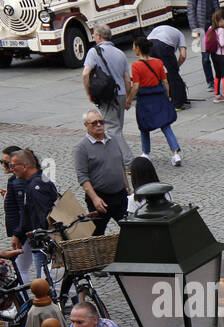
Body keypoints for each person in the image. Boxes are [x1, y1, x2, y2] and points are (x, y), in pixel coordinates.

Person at [125, 36, 183, 168]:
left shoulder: (136, 66)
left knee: (144, 126)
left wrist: (128, 100)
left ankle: (146, 153)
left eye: (134, 46)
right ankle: (175, 153)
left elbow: (136, 86)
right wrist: (168, 96)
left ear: (138, 48)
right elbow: (165, 82)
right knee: (166, 125)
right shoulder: (158, 62)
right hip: (159, 96)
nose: (133, 49)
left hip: (145, 99)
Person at [82, 24, 133, 167]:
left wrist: (89, 93)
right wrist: (128, 98)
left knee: (112, 128)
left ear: (98, 36)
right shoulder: (120, 53)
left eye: (93, 35)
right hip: (121, 94)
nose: (93, 38)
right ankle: (117, 157)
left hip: (107, 95)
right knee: (117, 128)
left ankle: (129, 161)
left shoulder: (94, 52)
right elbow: (127, 79)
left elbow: (86, 74)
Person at [75, 109, 131, 236]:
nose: (99, 125)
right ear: (86, 125)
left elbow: (120, 165)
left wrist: (127, 187)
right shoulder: (81, 147)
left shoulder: (113, 140)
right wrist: (95, 198)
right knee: (97, 234)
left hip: (120, 195)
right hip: (100, 198)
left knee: (129, 230)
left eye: (101, 122)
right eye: (94, 123)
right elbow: (82, 177)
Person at [6, 151, 57, 284]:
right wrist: (18, 233)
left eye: (13, 166)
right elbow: (28, 215)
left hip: (44, 243)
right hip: (40, 241)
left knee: (46, 284)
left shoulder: (36, 187)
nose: (11, 169)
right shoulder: (36, 182)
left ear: (25, 166)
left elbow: (44, 217)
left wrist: (48, 243)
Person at [147, 21, 190, 109]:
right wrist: (176, 67)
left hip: (149, 45)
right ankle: (177, 103)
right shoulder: (180, 34)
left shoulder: (157, 29)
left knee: (155, 76)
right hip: (164, 46)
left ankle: (159, 102)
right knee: (174, 76)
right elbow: (183, 55)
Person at [206, 9, 224, 104]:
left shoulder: (210, 28)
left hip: (213, 55)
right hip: (221, 55)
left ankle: (217, 95)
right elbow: (222, 43)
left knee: (217, 74)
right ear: (221, 19)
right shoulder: (221, 30)